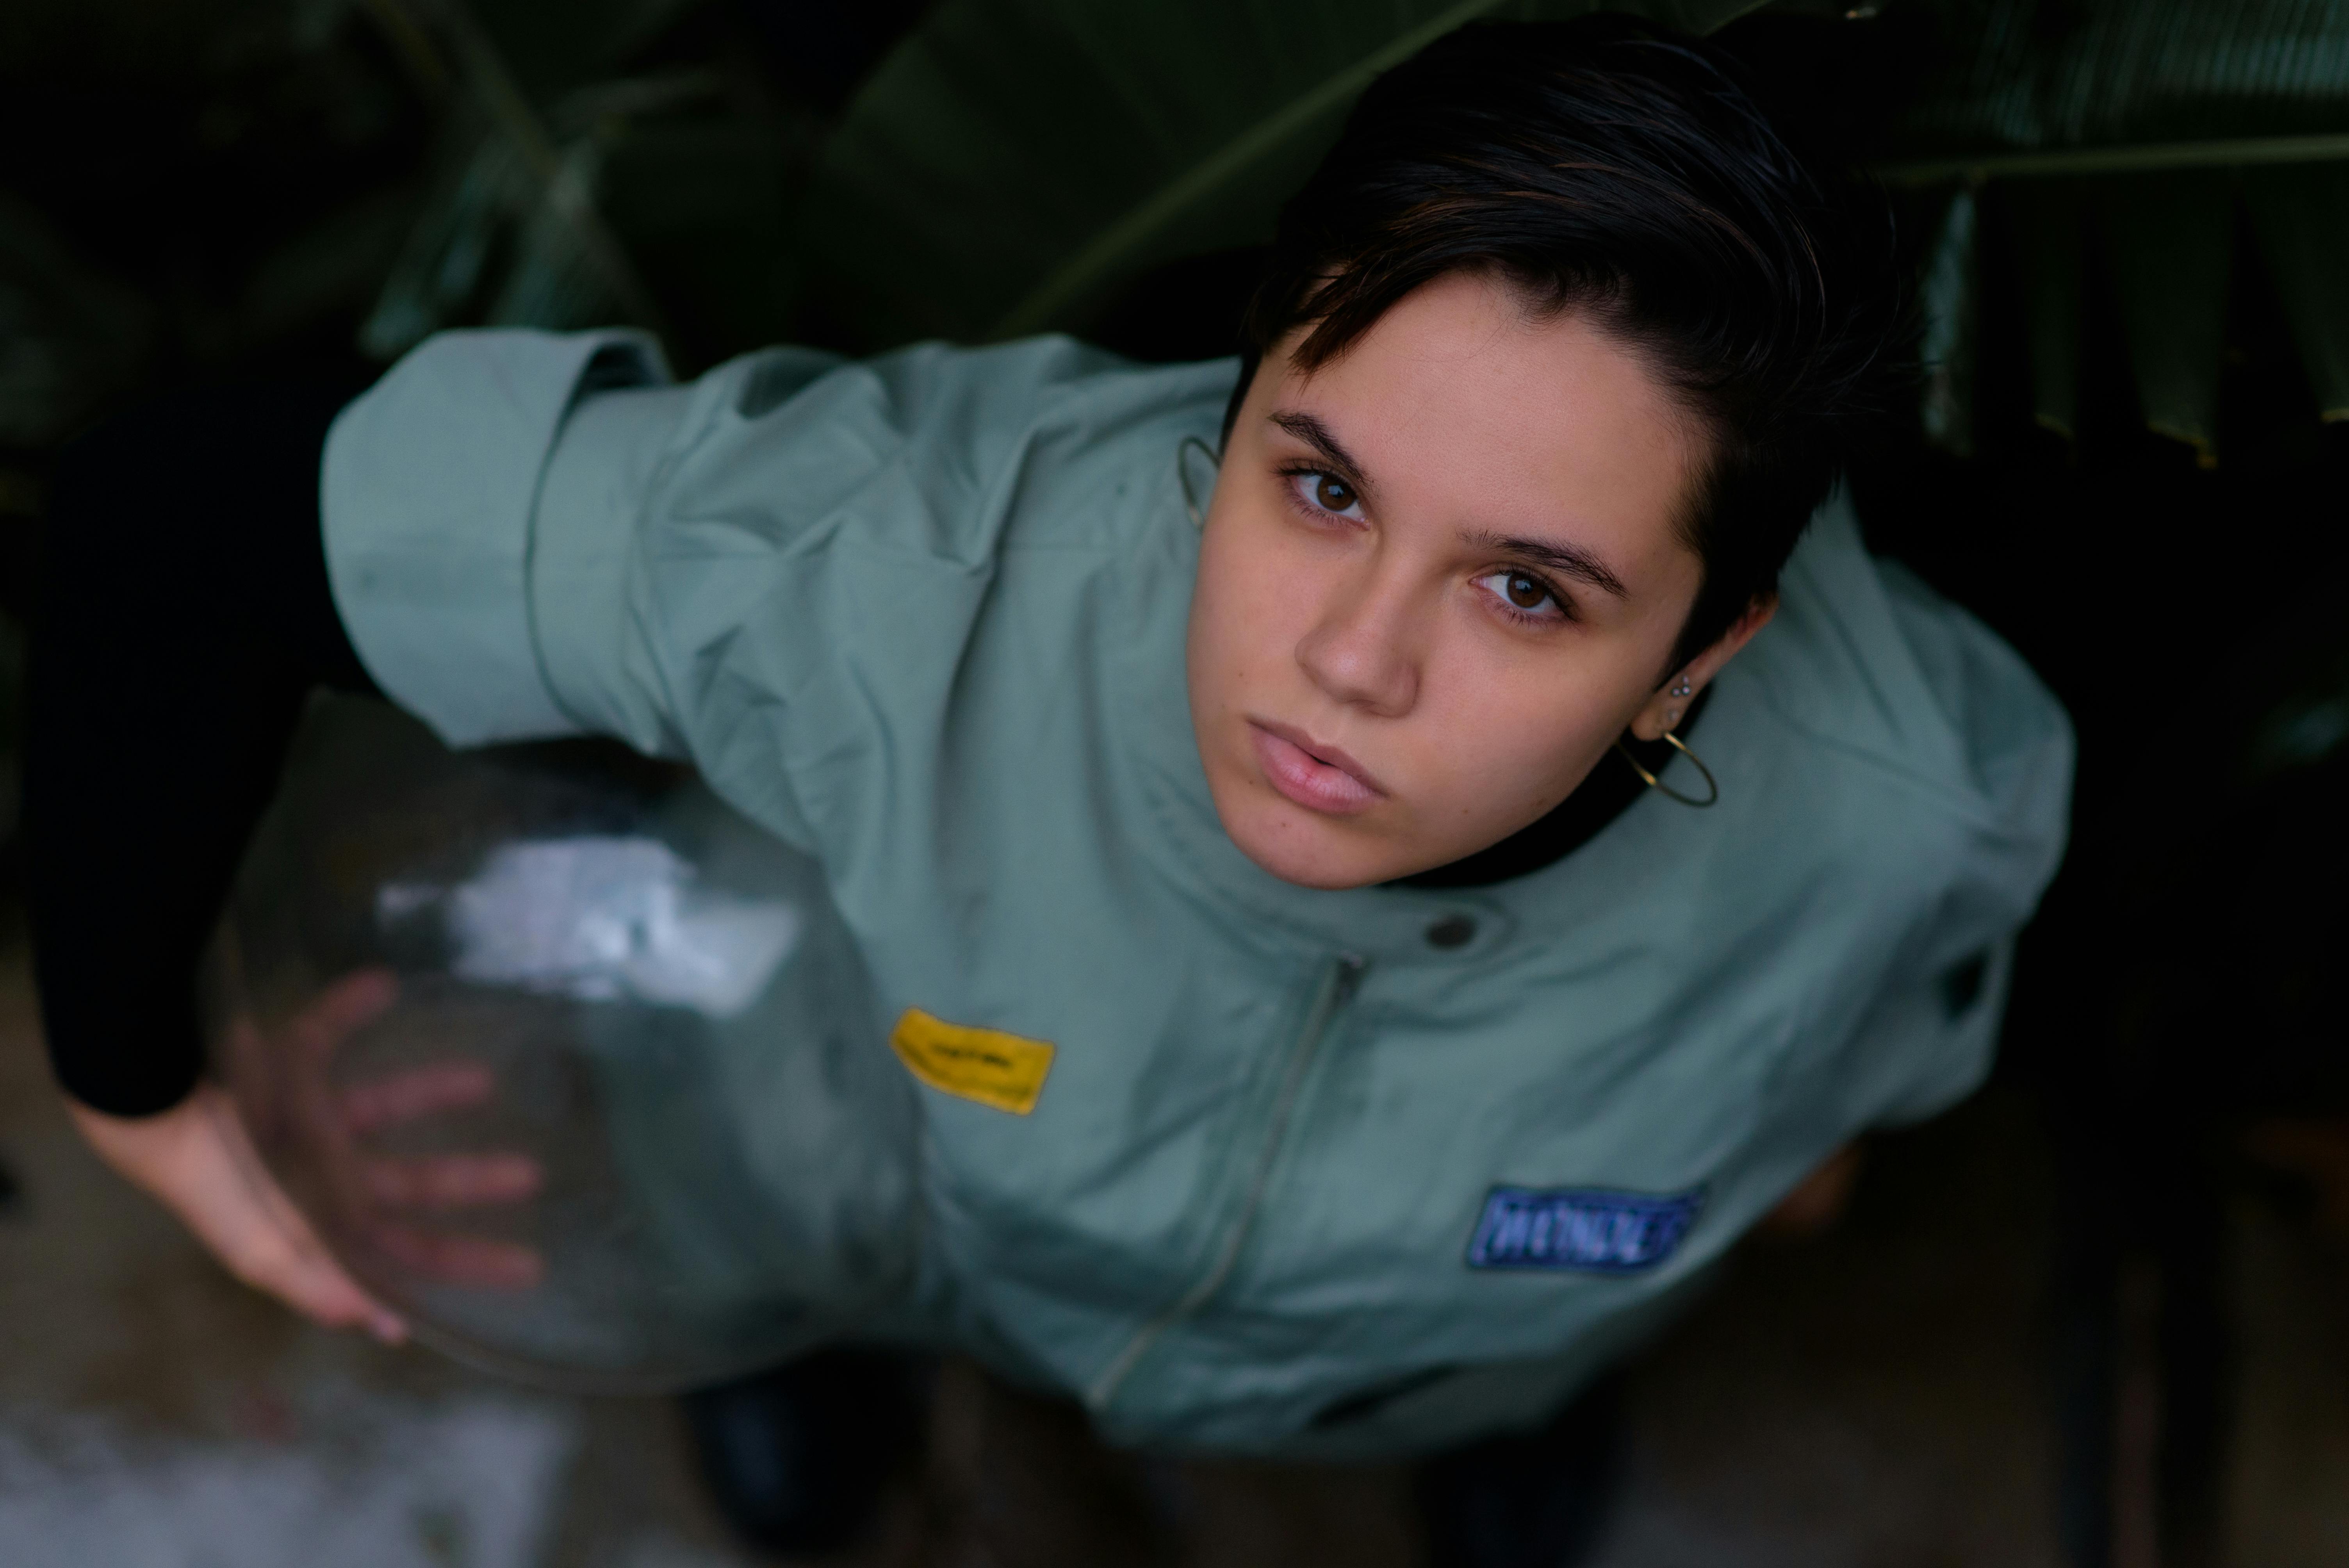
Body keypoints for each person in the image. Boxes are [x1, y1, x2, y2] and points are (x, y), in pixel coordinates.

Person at [25, 15, 2070, 1564]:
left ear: (1706, 650)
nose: (1349, 659)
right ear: (1244, 393)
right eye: (1320, 486)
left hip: (1465, 1333)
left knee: (1513, 1387)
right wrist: (132, 1088)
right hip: (907, 1197)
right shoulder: (897, 565)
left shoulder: (1921, 801)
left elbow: (1898, 1035)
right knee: (806, 1268)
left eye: (1527, 591)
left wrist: (1802, 1143)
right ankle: (821, 1359)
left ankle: (1492, 1430)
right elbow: (174, 528)